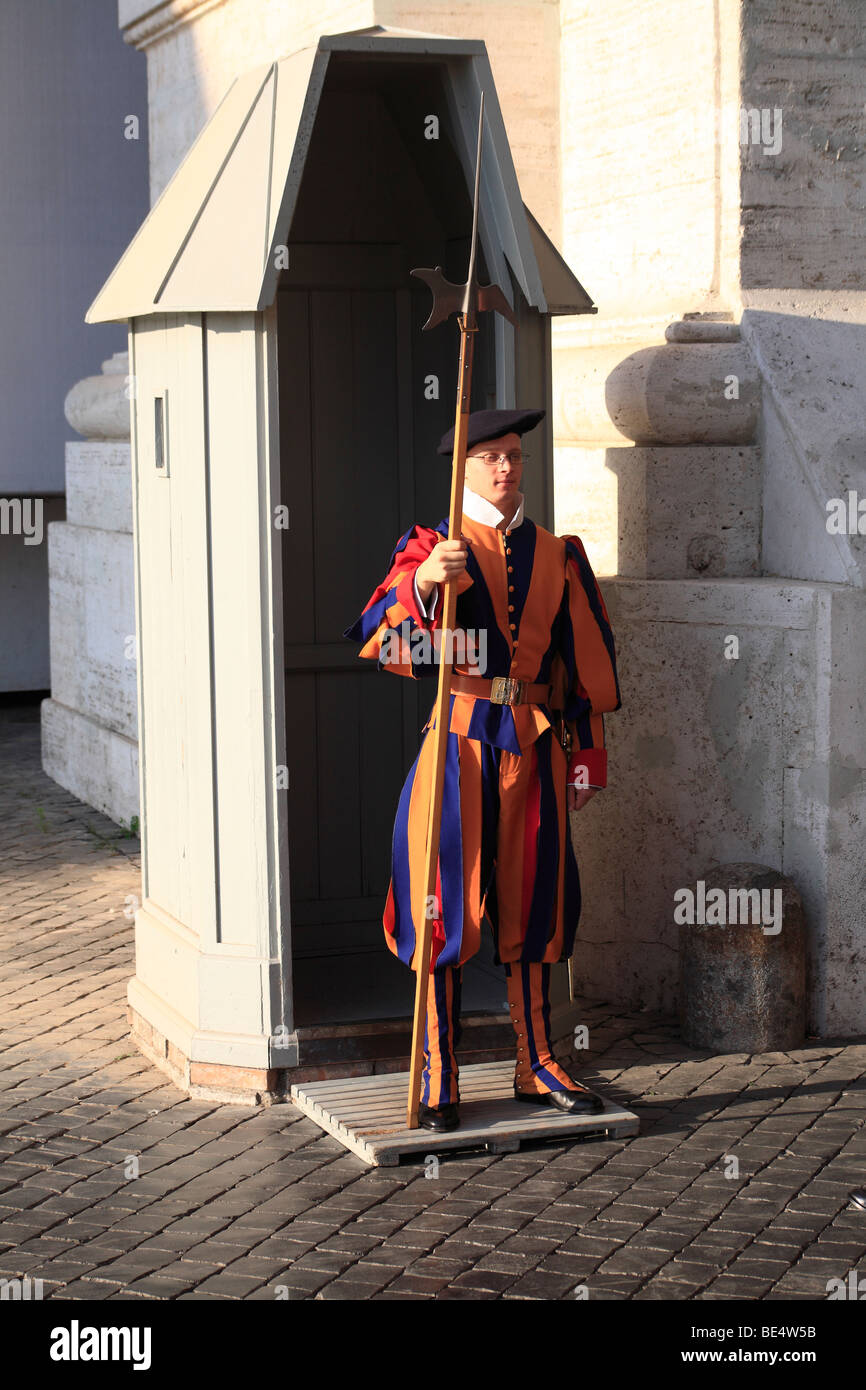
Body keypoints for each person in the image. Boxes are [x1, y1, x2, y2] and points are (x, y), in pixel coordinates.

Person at [343, 408, 621, 1131]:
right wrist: (427, 587)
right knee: (442, 905)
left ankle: (537, 1064)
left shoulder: (558, 554)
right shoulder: (431, 548)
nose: (505, 468)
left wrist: (585, 754)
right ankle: (440, 1070)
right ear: (461, 468)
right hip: (459, 738)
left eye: (515, 457)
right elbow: (382, 642)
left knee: (536, 905)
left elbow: (579, 668)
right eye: (491, 457)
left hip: (533, 744)